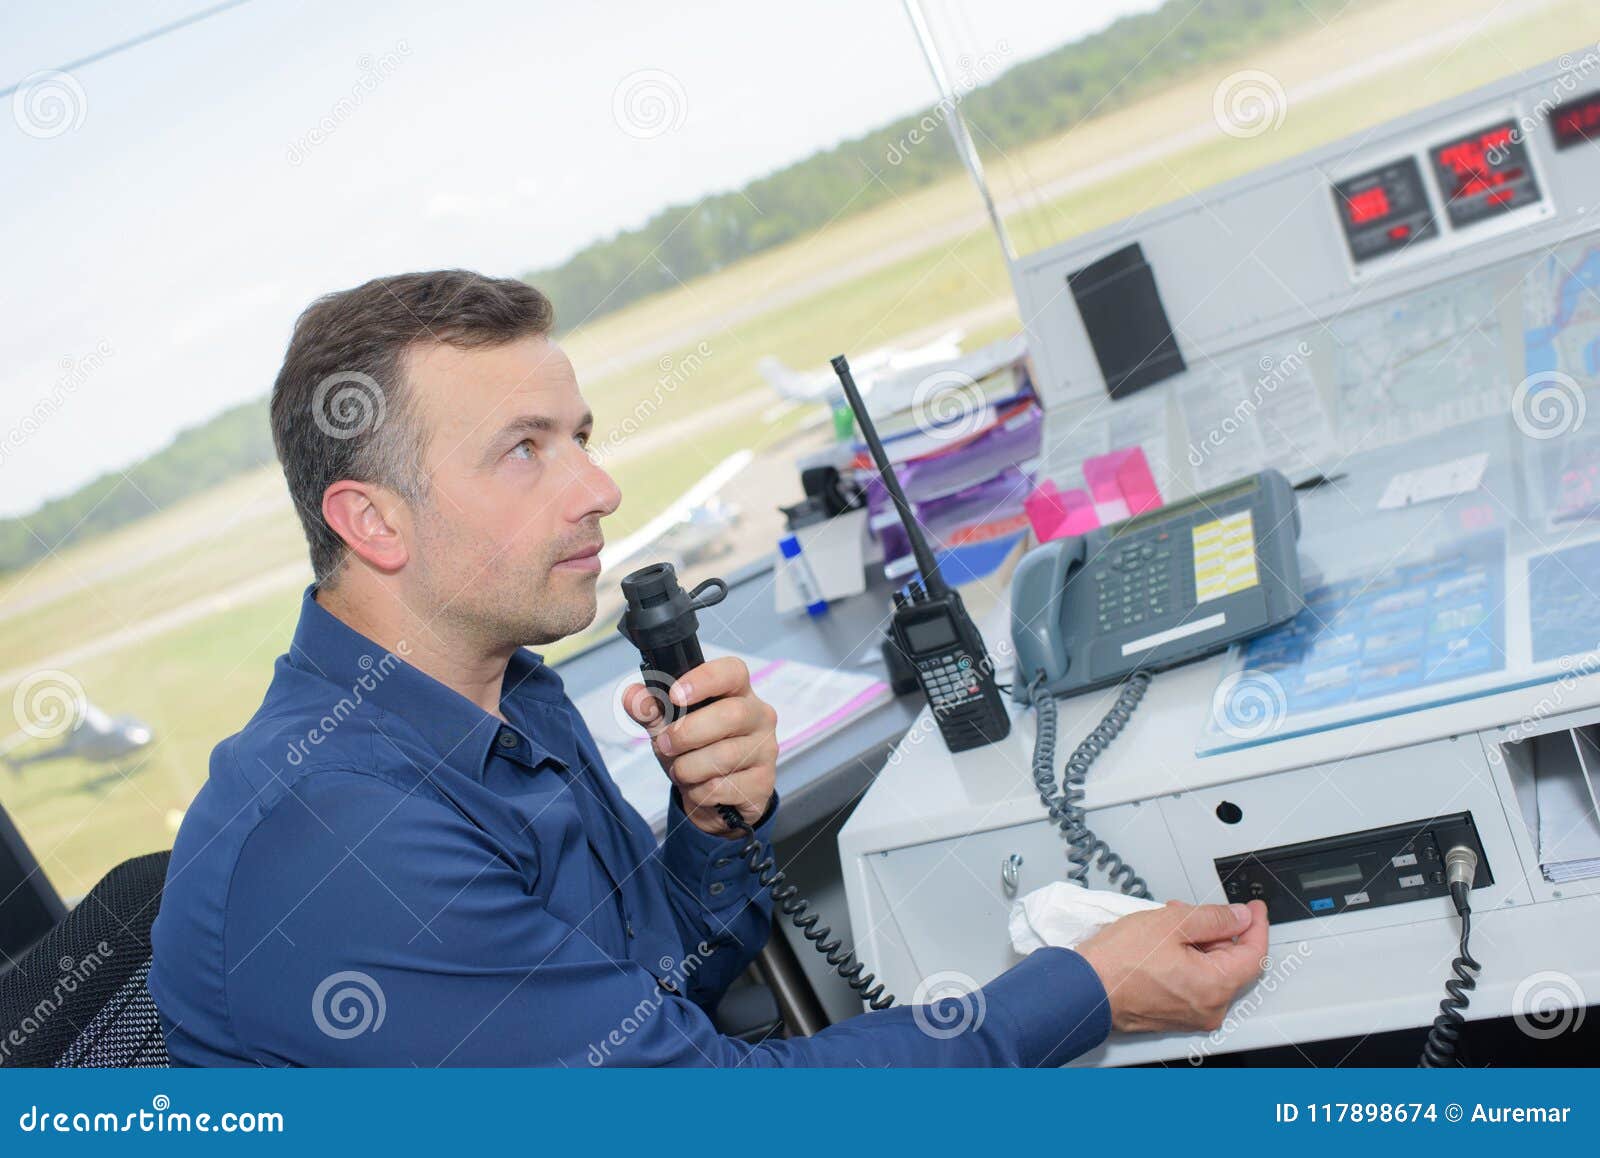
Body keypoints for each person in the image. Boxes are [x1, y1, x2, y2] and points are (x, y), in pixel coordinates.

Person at [149, 270, 1269, 1066]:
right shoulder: (337, 844)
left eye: (581, 436)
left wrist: (714, 827)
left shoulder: (506, 691)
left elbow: (659, 979)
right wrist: (1087, 989)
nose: (598, 489)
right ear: (373, 522)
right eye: (525, 449)